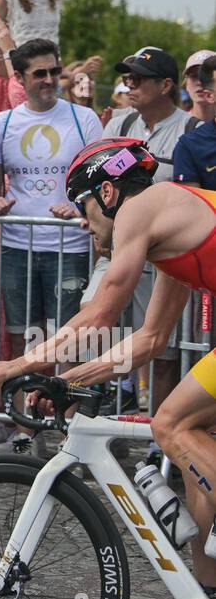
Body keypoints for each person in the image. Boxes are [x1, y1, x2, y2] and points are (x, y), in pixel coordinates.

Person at [0, 136, 216, 599]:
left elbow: (103, 313)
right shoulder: (171, 223)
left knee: (171, 422)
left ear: (108, 193)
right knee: (195, 444)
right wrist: (63, 381)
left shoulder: (141, 209)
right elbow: (147, 343)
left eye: (85, 208)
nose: (85, 224)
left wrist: (19, 363)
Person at [0, 38, 103, 451]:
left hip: (68, 246)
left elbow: (100, 182)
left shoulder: (83, 118)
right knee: (23, 339)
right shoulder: (2, 123)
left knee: (66, 340)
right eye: (40, 73)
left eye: (54, 70)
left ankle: (68, 428)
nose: (51, 79)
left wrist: (82, 206)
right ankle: (24, 431)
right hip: (18, 245)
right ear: (20, 78)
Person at [85, 45, 198, 428]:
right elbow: (91, 187)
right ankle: (85, 427)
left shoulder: (190, 129)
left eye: (139, 78)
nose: (129, 84)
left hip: (168, 260)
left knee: (161, 352)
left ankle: (157, 440)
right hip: (119, 253)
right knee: (92, 334)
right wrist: (101, 228)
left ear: (167, 84)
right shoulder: (117, 125)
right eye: (126, 77)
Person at [174, 55, 216, 191]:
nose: (197, 82)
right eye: (193, 76)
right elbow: (190, 207)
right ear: (210, 96)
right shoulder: (190, 146)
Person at [182, 50, 216, 125]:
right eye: (194, 76)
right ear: (186, 84)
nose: (200, 82)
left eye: (207, 77)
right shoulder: (177, 126)